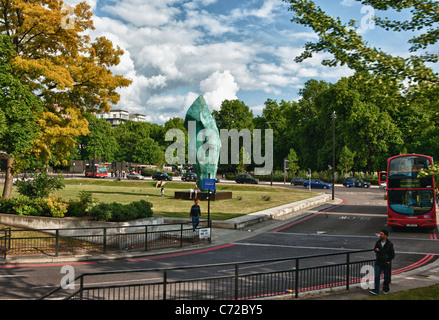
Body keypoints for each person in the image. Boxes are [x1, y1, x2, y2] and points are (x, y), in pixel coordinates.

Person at [370, 229, 395, 295]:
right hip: (378, 262)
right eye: (380, 234)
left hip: (386, 263)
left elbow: (392, 255)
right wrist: (376, 250)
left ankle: (386, 289)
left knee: (386, 277)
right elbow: (375, 249)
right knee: (377, 276)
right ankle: (376, 291)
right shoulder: (378, 242)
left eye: (381, 234)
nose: (380, 235)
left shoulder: (389, 244)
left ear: (385, 236)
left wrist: (388, 260)